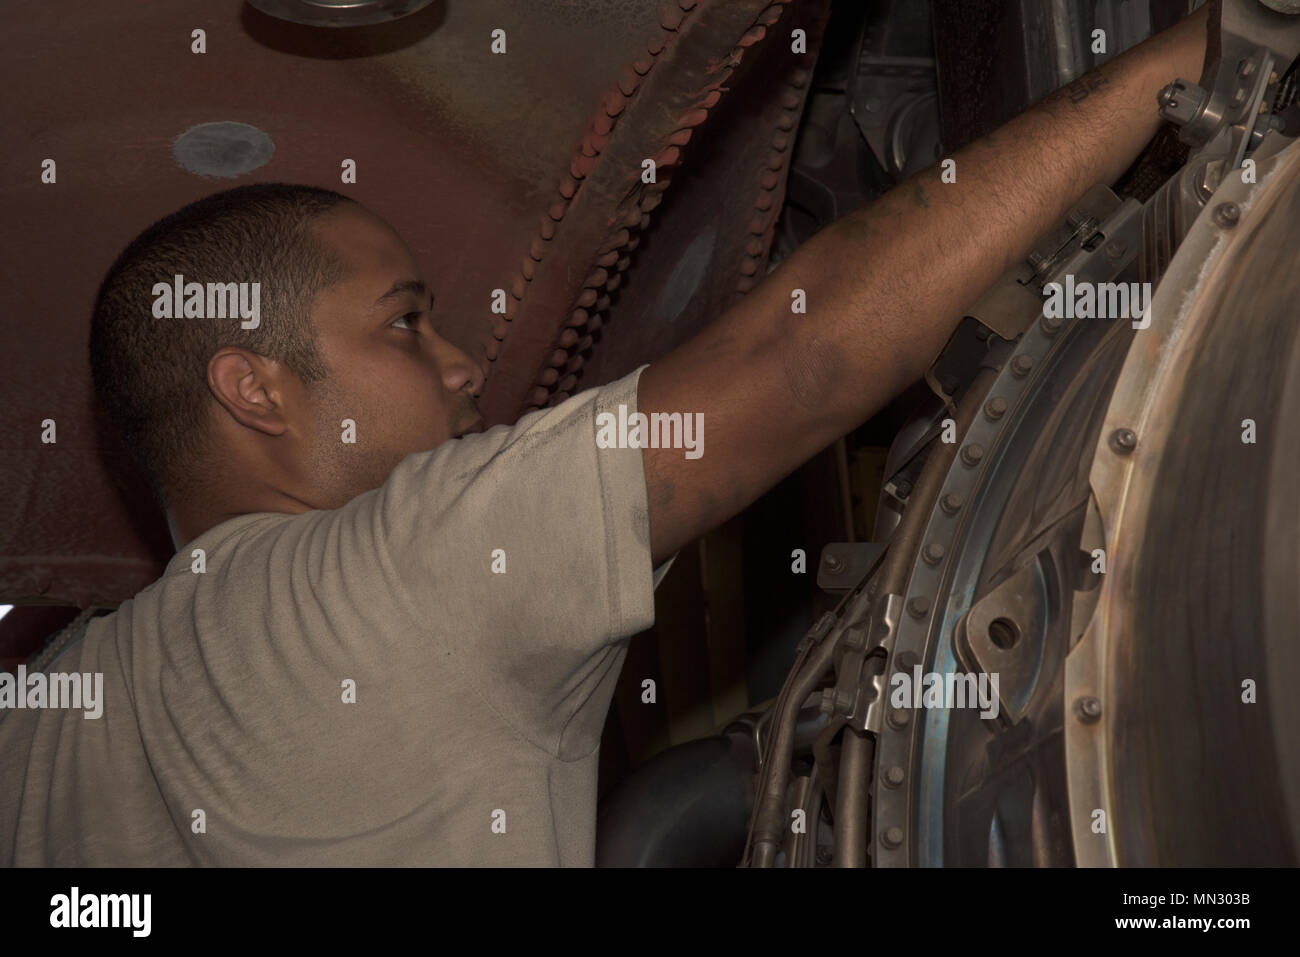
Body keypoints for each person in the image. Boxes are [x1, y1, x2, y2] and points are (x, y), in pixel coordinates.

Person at [0, 5, 1214, 866]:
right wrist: (1184, 53)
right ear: (256, 391)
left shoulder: (48, 721)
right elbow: (796, 359)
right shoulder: (398, 572)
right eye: (406, 323)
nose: (461, 360)